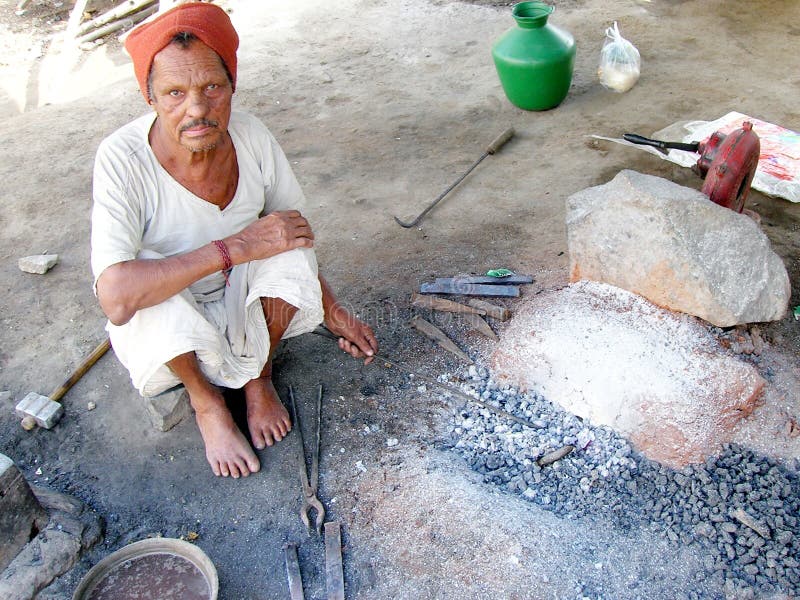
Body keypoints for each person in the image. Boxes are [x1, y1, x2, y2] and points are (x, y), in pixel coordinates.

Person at [90, 2, 378, 479]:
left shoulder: (251, 135)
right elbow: (116, 301)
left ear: (232, 86)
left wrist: (334, 312)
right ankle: (206, 403)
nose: (197, 109)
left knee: (288, 239)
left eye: (212, 88)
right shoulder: (121, 158)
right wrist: (236, 247)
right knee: (138, 273)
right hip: (175, 329)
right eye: (175, 93)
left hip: (248, 312)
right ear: (150, 97)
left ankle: (258, 377)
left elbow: (292, 234)